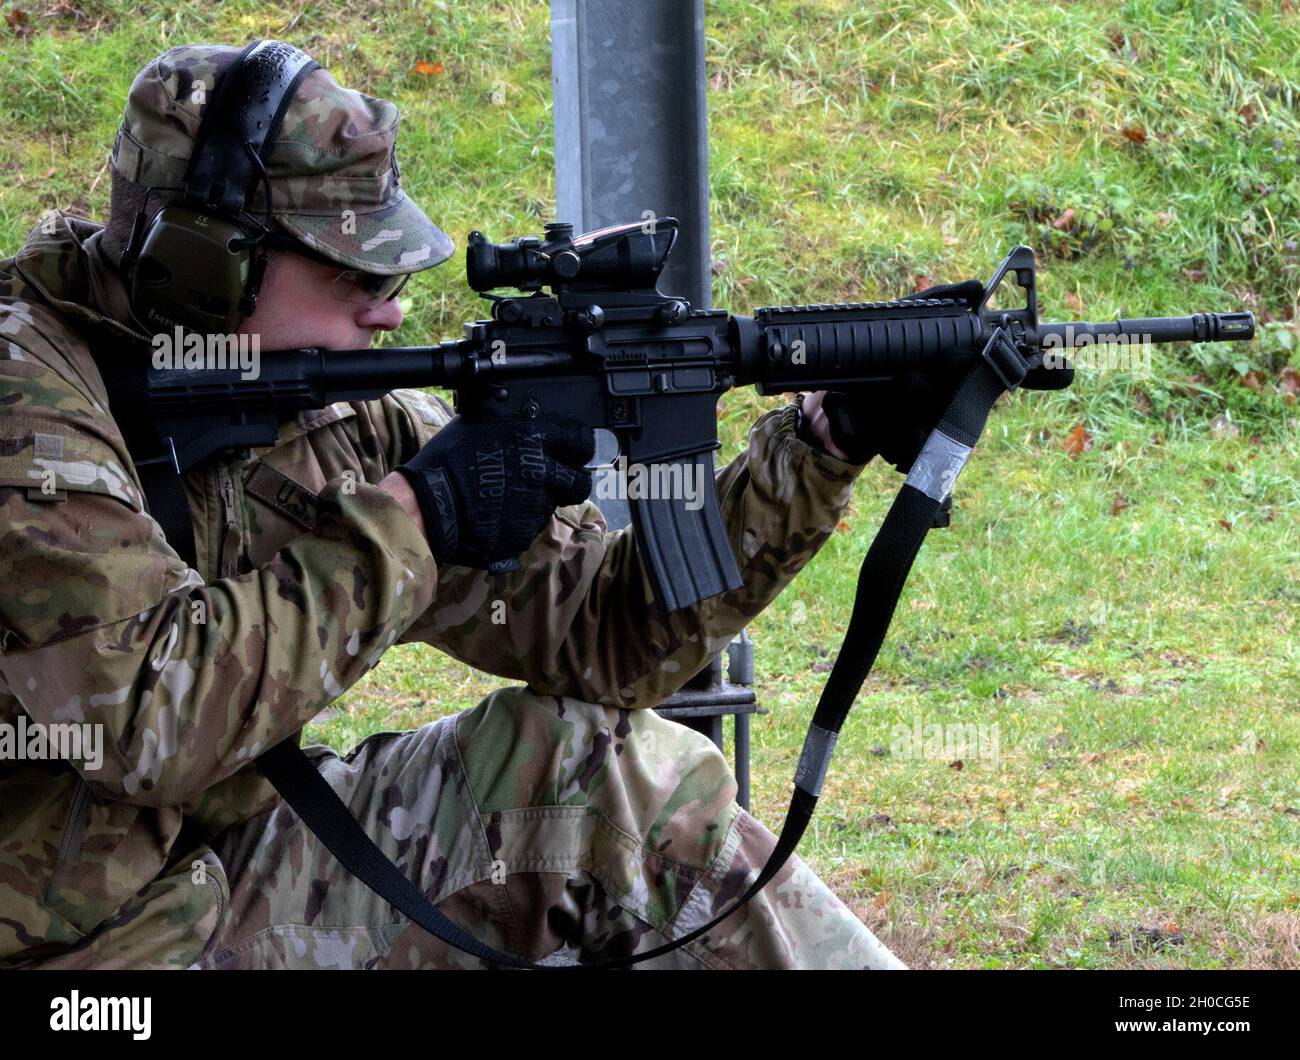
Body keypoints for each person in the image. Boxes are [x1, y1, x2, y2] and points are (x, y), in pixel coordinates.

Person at [0, 42, 916, 969]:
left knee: (602, 777)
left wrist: (819, 445)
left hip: (216, 874)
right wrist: (421, 520)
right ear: (204, 266)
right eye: (356, 275)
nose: (389, 312)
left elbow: (606, 634)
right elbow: (142, 719)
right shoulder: (22, 397)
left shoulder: (316, 410)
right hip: (69, 958)